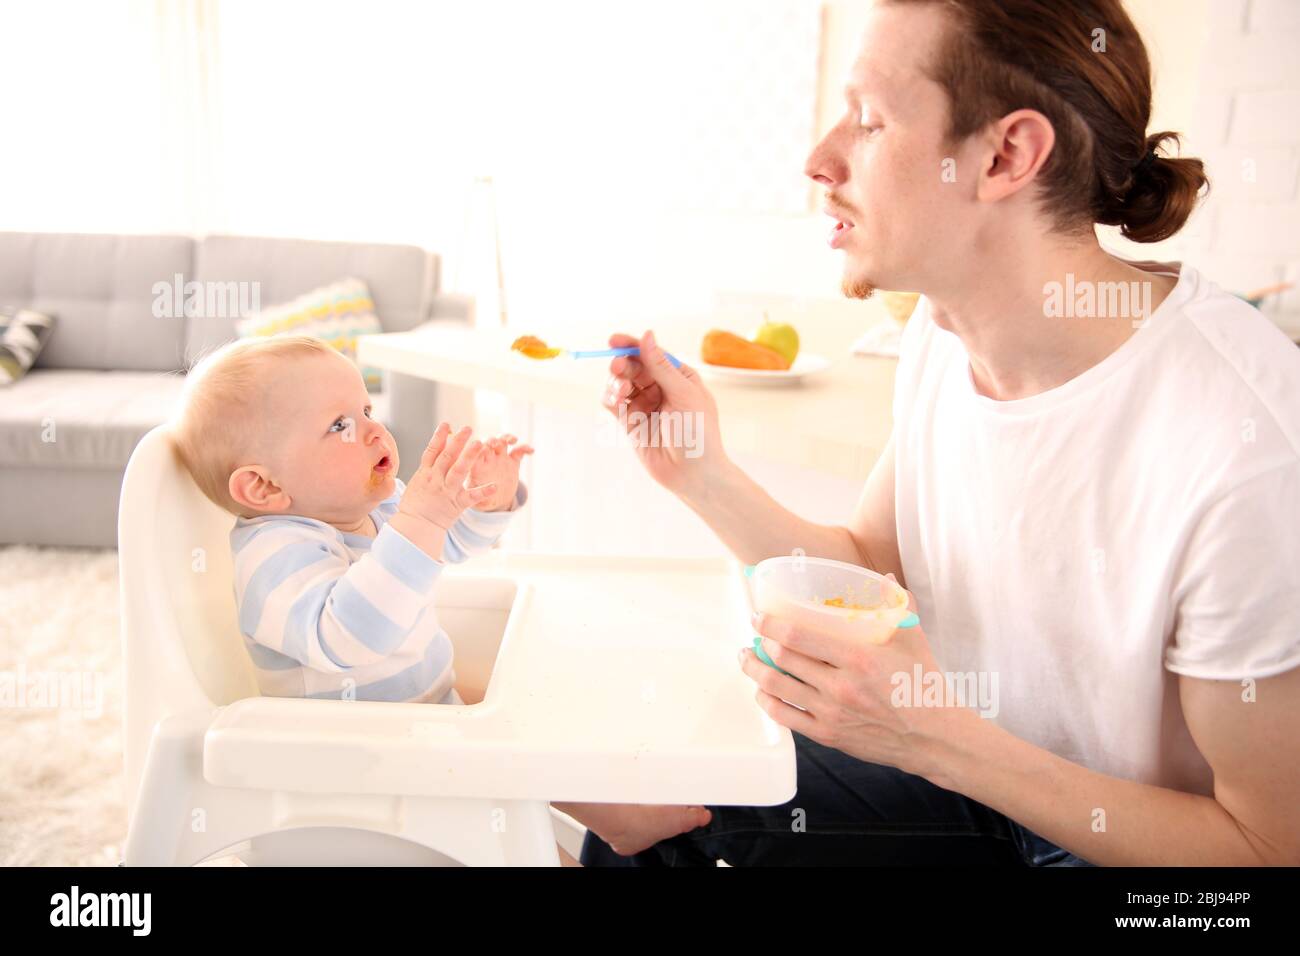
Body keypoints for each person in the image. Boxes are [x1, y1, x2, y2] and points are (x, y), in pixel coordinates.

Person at [588, 0, 1300, 866]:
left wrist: (931, 736)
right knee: (666, 796)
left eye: (870, 120)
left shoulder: (1245, 446)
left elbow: (1267, 850)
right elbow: (875, 571)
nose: (819, 161)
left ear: (1004, 155)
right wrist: (702, 475)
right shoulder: (945, 327)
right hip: (987, 787)